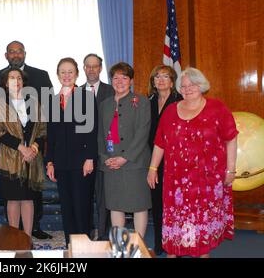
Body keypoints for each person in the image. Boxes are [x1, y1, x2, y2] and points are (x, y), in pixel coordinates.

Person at [147, 67, 238, 258]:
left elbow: (231, 138)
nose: (188, 88)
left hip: (207, 181)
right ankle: (174, 252)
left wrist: (231, 170)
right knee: (176, 222)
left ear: (202, 85)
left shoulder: (217, 108)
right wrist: (153, 168)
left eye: (193, 84)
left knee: (200, 224)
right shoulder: (171, 110)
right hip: (175, 182)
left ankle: (201, 253)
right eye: (184, 85)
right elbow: (159, 142)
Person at [0, 40, 53, 239]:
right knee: (13, 199)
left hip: (31, 159)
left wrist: (34, 147)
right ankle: (14, 237)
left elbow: (42, 127)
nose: (15, 81)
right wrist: (20, 148)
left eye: (19, 78)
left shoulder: (34, 102)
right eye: (11, 78)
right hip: (10, 158)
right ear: (5, 83)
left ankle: (26, 238)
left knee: (29, 199)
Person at [46, 57, 97, 245]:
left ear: (77, 74)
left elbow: (93, 131)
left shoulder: (87, 97)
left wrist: (90, 157)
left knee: (81, 206)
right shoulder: (51, 100)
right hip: (61, 163)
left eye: (70, 72)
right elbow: (50, 136)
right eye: (62, 72)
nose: (66, 75)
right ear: (58, 75)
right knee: (67, 207)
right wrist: (49, 162)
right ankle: (71, 245)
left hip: (82, 162)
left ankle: (85, 245)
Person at [98, 62, 151, 239]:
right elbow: (100, 135)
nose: (119, 81)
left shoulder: (141, 102)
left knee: (139, 205)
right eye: (115, 78)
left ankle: (139, 244)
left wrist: (125, 158)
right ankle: (119, 244)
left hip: (135, 163)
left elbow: (143, 133)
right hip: (111, 163)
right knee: (115, 204)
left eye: (124, 77)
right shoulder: (104, 104)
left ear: (131, 81)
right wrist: (105, 157)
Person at [147, 65, 183, 255]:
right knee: (158, 203)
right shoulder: (149, 101)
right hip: (154, 160)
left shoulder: (180, 101)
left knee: (176, 205)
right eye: (157, 77)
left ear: (172, 80)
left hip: (175, 161)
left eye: (165, 76)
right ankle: (161, 243)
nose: (160, 80)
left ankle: (180, 242)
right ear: (153, 81)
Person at [82, 53, 114, 241]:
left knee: (103, 198)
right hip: (83, 154)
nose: (92, 69)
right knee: (84, 196)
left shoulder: (111, 91)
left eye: (95, 66)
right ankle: (85, 232)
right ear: (84, 68)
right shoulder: (75, 92)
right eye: (88, 66)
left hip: (104, 152)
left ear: (100, 68)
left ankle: (102, 235)